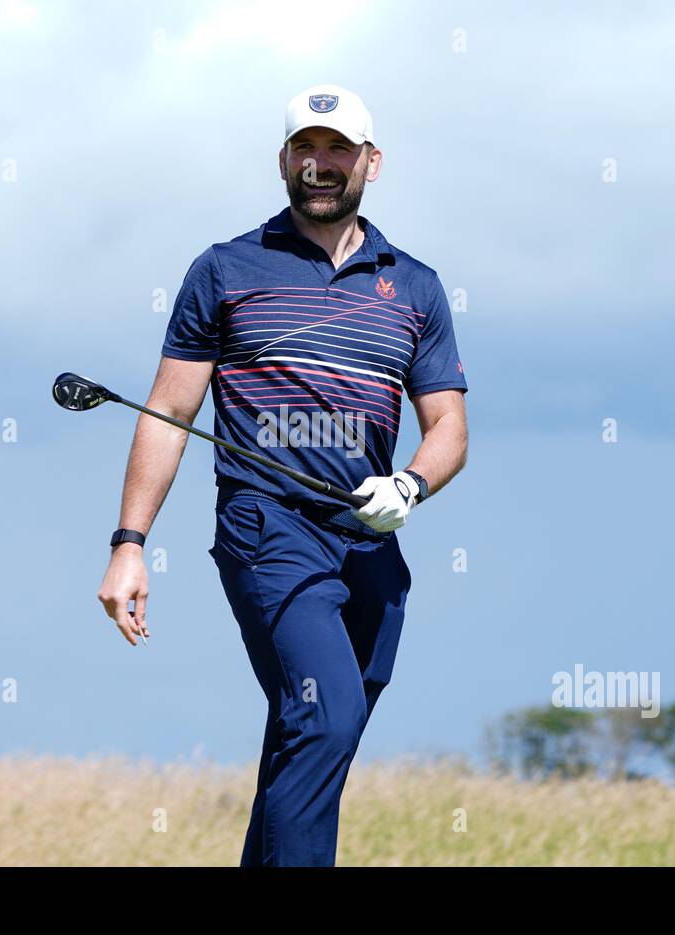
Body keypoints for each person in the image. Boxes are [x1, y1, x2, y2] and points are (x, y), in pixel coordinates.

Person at [96, 84, 470, 866]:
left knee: (309, 740)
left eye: (338, 149)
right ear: (283, 160)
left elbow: (448, 428)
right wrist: (130, 542)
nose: (321, 165)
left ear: (372, 162)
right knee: (326, 719)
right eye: (306, 148)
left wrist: (409, 486)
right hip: (269, 532)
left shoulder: (417, 285)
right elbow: (168, 410)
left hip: (370, 547)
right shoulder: (226, 268)